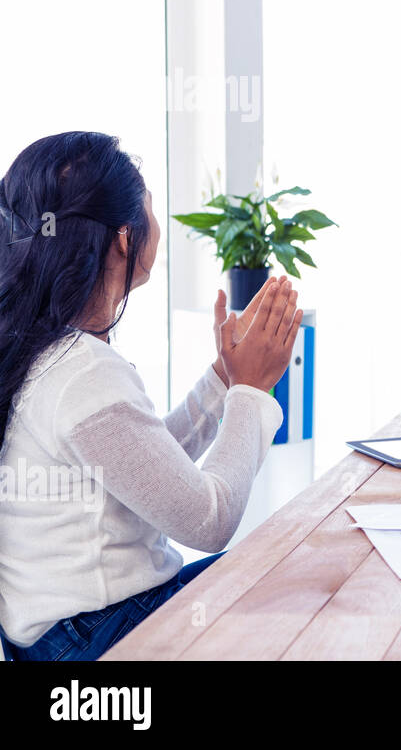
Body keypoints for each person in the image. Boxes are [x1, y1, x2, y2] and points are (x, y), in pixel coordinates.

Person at [0, 132, 302, 660]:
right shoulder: (81, 370)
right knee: (299, 572)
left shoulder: (39, 347)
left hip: (55, 640)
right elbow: (209, 519)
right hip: (100, 635)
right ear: (124, 238)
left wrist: (223, 377)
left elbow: (143, 467)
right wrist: (252, 389)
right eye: (151, 207)